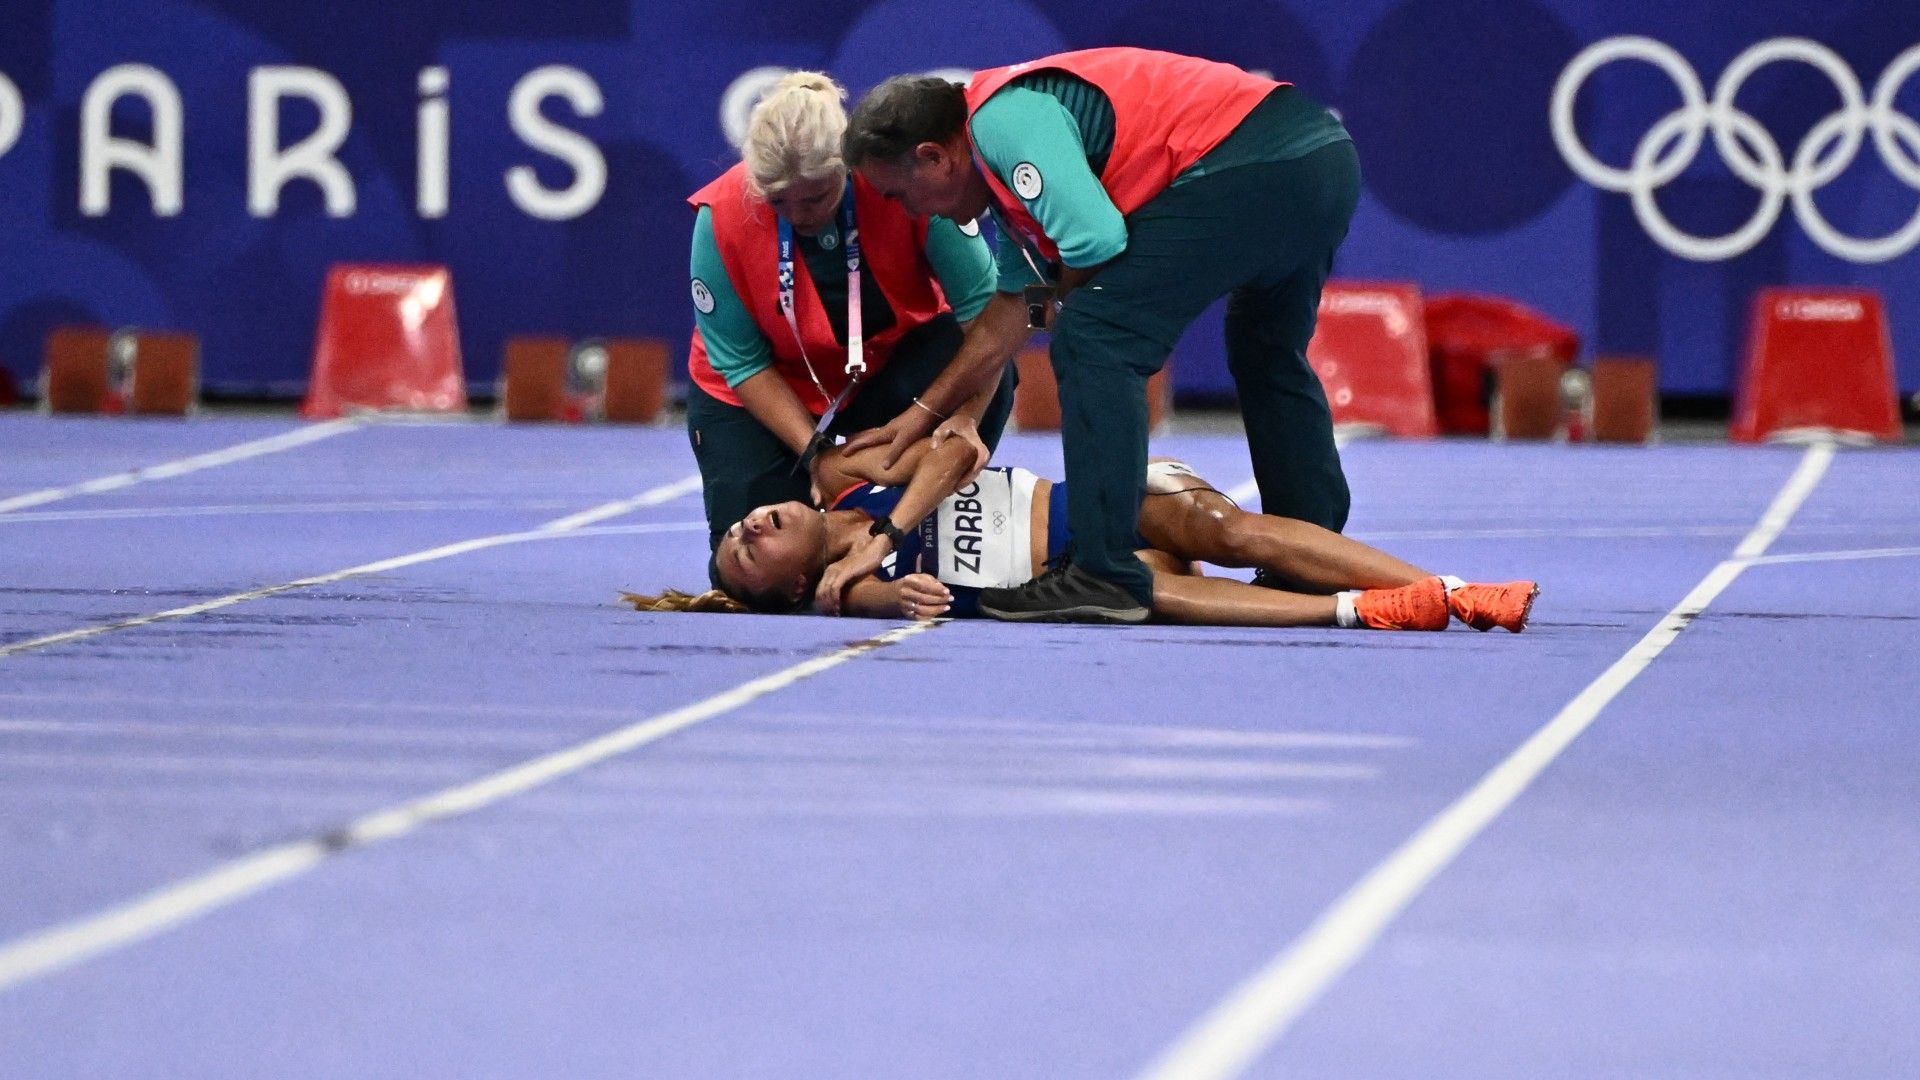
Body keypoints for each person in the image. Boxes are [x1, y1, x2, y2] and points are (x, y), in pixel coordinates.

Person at [840, 48, 1362, 624]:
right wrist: (920, 414)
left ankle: (1102, 570)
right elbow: (1015, 313)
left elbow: (1094, 242)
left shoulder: (1000, 123)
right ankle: (1306, 551)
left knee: (1096, 338)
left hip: (1254, 164)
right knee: (1267, 353)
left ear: (933, 156)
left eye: (897, 194)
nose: (909, 213)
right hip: (1320, 159)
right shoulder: (1006, 197)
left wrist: (1073, 312)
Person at [627, 434, 1538, 632]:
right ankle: (1369, 607)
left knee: (1225, 527)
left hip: (1104, 501)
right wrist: (887, 586)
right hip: (1098, 570)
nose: (747, 525)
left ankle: (1455, 584)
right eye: (749, 551)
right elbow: (885, 597)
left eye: (738, 526)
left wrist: (890, 525)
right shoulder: (838, 591)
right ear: (790, 589)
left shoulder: (845, 475)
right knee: (1150, 592)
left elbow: (955, 445)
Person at [685, 71, 1020, 557]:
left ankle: (917, 526)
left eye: (816, 196)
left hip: (882, 373)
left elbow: (985, 316)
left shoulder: (901, 185)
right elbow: (741, 364)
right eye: (778, 201)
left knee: (984, 364)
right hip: (766, 391)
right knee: (754, 569)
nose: (799, 214)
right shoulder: (719, 217)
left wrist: (966, 418)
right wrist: (816, 455)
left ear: (845, 167)